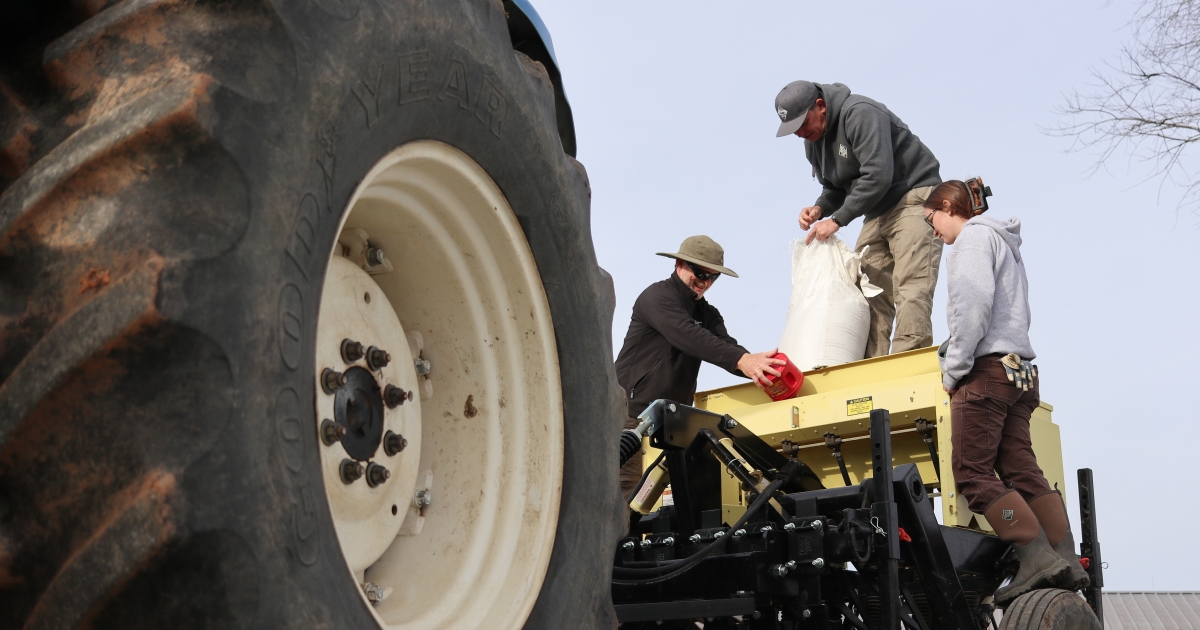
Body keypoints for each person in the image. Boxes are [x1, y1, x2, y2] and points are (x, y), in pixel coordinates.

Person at [928, 179, 1090, 606]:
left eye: (932, 219)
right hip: (1021, 373)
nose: (933, 231)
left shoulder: (971, 241)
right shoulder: (1003, 241)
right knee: (1020, 466)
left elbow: (973, 304)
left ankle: (1034, 558)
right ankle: (1064, 557)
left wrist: (954, 367)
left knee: (970, 470)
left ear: (948, 206)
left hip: (984, 370)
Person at [774, 80, 943, 358]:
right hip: (875, 208)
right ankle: (871, 369)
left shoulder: (860, 112)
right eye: (793, 129)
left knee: (910, 286)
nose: (800, 133)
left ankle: (907, 363)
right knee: (866, 293)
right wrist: (820, 208)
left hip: (913, 197)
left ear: (820, 106)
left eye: (802, 123)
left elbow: (877, 174)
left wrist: (837, 220)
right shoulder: (812, 143)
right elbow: (835, 187)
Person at [615, 235, 783, 497]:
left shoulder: (708, 314)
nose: (705, 282)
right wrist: (743, 361)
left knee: (670, 501)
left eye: (713, 277)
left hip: (671, 424)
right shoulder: (656, 297)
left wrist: (762, 369)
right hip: (630, 417)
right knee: (627, 498)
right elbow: (689, 336)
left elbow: (726, 346)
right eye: (701, 273)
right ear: (680, 264)